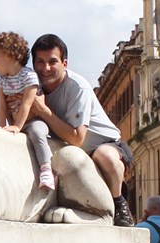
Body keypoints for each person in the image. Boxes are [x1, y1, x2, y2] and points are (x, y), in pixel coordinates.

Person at [28, 34, 135, 226]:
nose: (46, 68)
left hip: (101, 145)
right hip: (68, 152)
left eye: (53, 62)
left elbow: (77, 138)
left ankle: (119, 204)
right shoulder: (31, 85)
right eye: (40, 62)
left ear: (64, 63)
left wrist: (43, 111)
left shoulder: (78, 88)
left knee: (106, 157)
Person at [0, 31, 54, 190]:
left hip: (33, 121)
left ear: (8, 56)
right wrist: (2, 127)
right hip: (15, 122)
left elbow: (27, 104)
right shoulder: (1, 80)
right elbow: (1, 105)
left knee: (37, 132)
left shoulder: (28, 76)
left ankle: (46, 169)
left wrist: (17, 126)